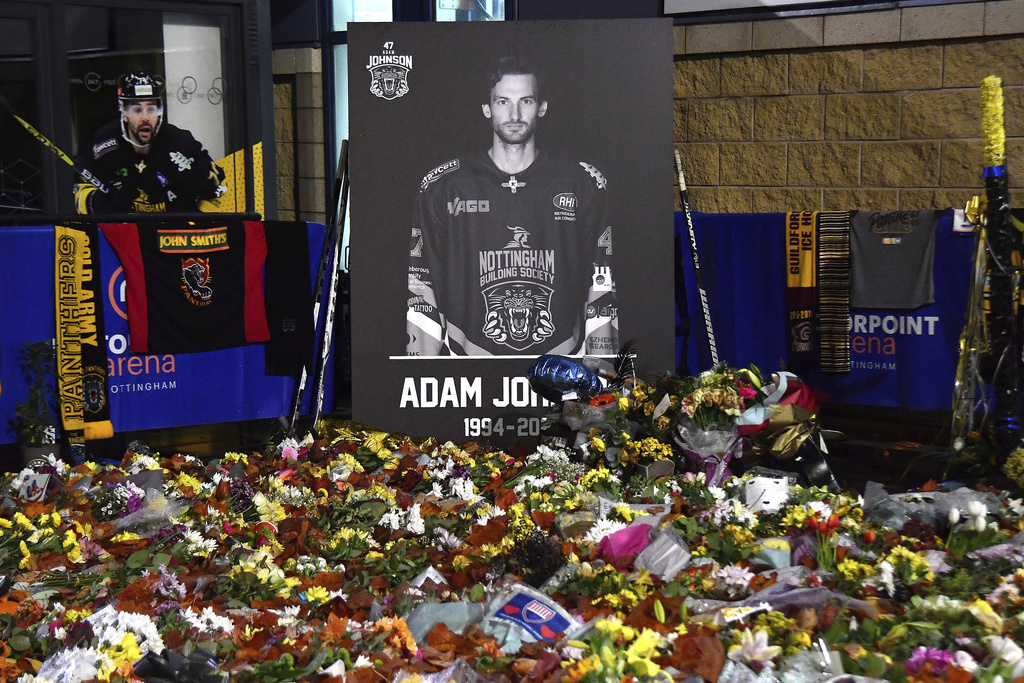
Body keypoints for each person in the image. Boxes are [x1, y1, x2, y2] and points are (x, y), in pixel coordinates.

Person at [406, 56, 618, 357]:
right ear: (487, 108)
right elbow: (421, 282)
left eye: (526, 101)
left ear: (542, 107)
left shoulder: (582, 182)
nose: (515, 113)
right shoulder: (444, 186)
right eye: (503, 101)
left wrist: (603, 366)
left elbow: (602, 279)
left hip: (561, 362)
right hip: (469, 366)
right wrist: (423, 370)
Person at [74, 72, 225, 214]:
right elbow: (77, 189)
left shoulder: (181, 144)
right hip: (125, 236)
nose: (145, 117)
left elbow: (218, 190)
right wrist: (97, 202)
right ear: (124, 113)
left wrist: (198, 216)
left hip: (174, 236)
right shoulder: (105, 143)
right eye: (137, 109)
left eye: (151, 108)